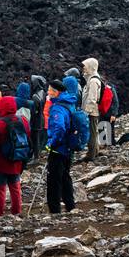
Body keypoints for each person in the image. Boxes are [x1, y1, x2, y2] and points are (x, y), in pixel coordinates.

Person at [45, 77, 88, 214]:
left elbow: (59, 128)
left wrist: (51, 143)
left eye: (50, 90)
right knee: (65, 176)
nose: (48, 92)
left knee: (54, 180)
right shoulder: (70, 102)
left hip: (58, 148)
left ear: (56, 92)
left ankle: (55, 209)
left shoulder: (57, 108)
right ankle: (70, 205)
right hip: (69, 147)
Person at [0, 95, 30, 218]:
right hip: (17, 159)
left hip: (1, 161)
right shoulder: (23, 120)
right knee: (15, 186)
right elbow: (28, 137)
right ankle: (16, 211)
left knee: (0, 188)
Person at [81, 57, 104, 161]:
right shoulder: (91, 79)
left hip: (92, 112)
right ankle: (95, 151)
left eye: (85, 66)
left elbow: (92, 98)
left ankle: (91, 155)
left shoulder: (94, 81)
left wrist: (86, 112)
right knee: (94, 132)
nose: (83, 68)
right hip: (92, 111)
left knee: (92, 134)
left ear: (91, 66)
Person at [28, 74, 48, 156]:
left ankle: (35, 157)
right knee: (38, 138)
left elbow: (33, 111)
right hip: (41, 118)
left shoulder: (35, 96)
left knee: (35, 139)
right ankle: (37, 155)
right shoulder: (43, 93)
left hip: (36, 120)